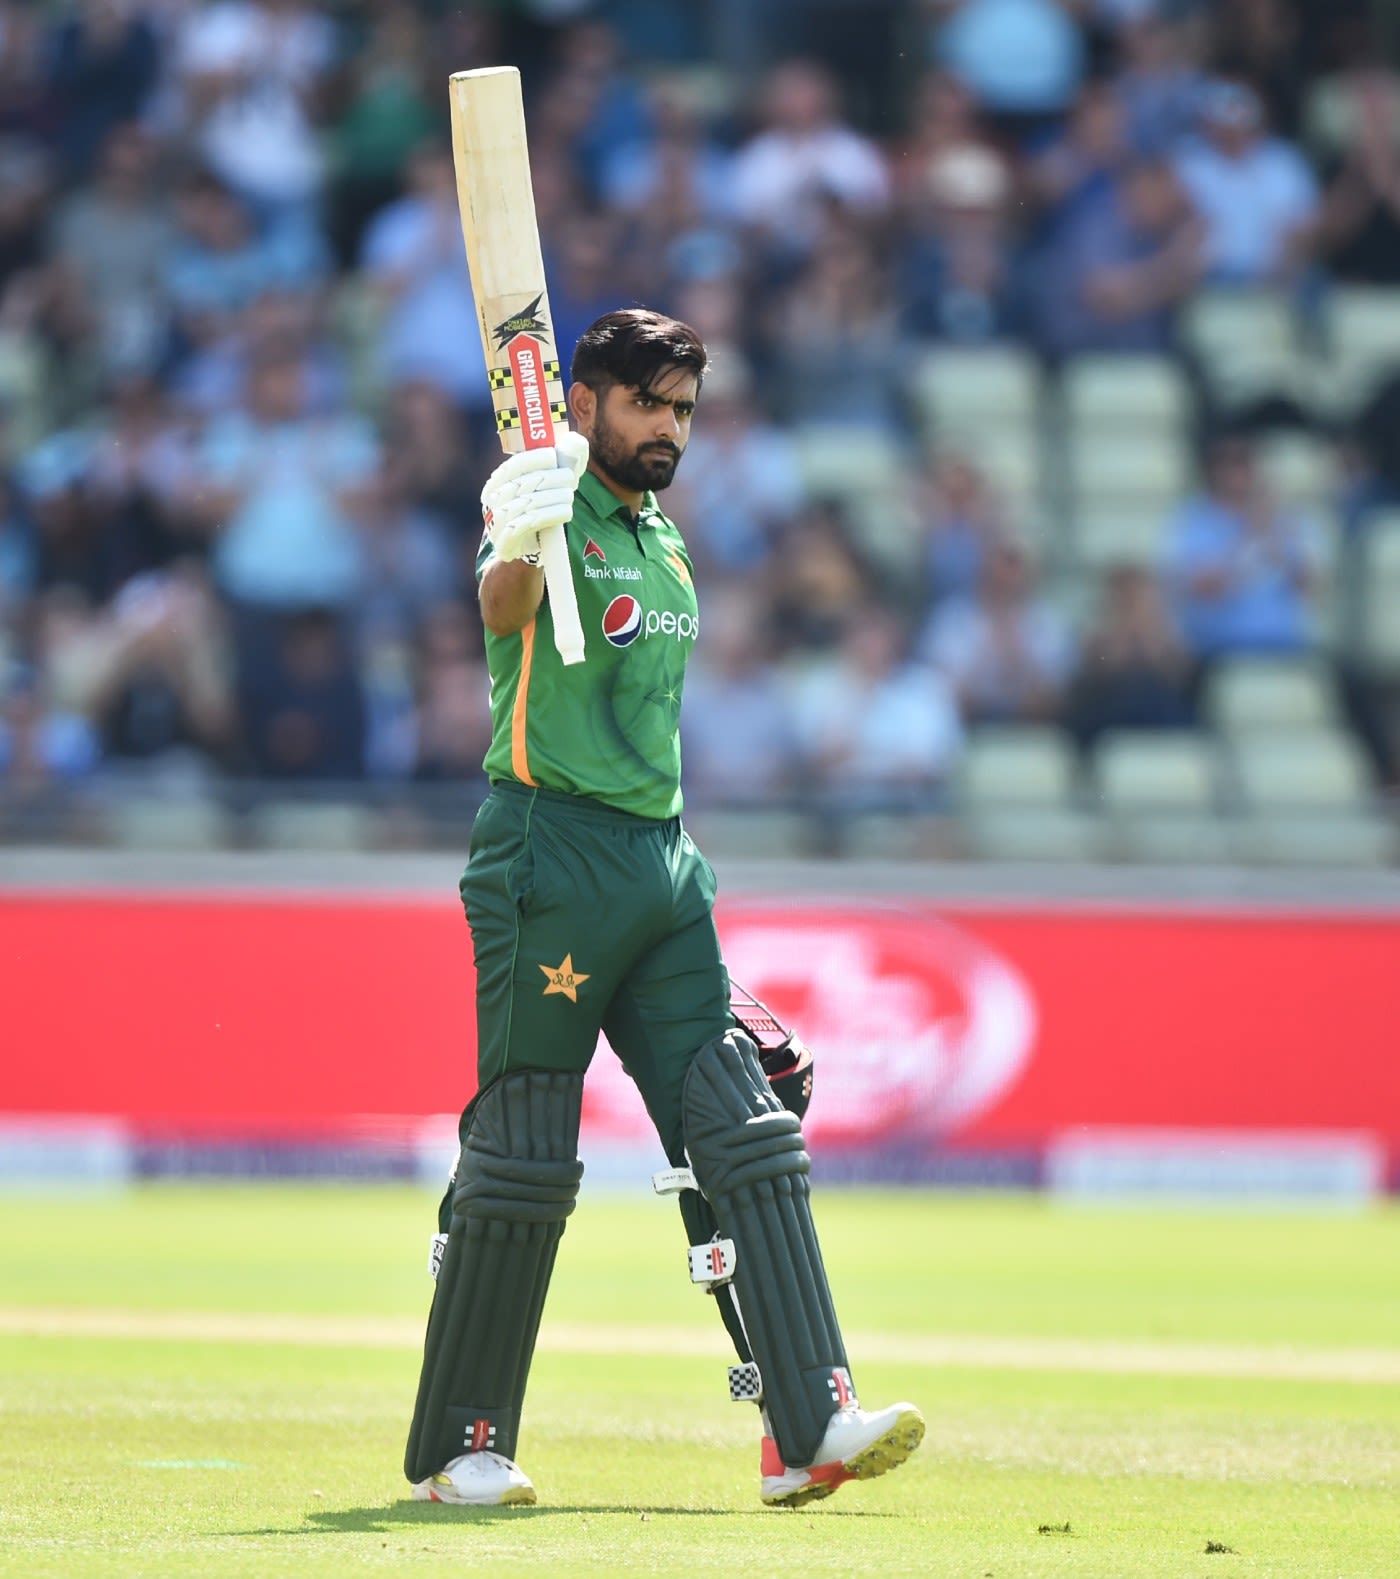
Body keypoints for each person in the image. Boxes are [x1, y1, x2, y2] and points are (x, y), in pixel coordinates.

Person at [403, 308, 924, 1510]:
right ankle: (460, 1445)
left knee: (747, 1114)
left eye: (683, 410)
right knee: (530, 1142)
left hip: (662, 859)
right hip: (550, 848)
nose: (668, 430)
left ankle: (807, 1426)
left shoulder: (664, 540)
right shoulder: (535, 497)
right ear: (583, 400)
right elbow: (497, 610)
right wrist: (528, 522)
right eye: (648, 405)